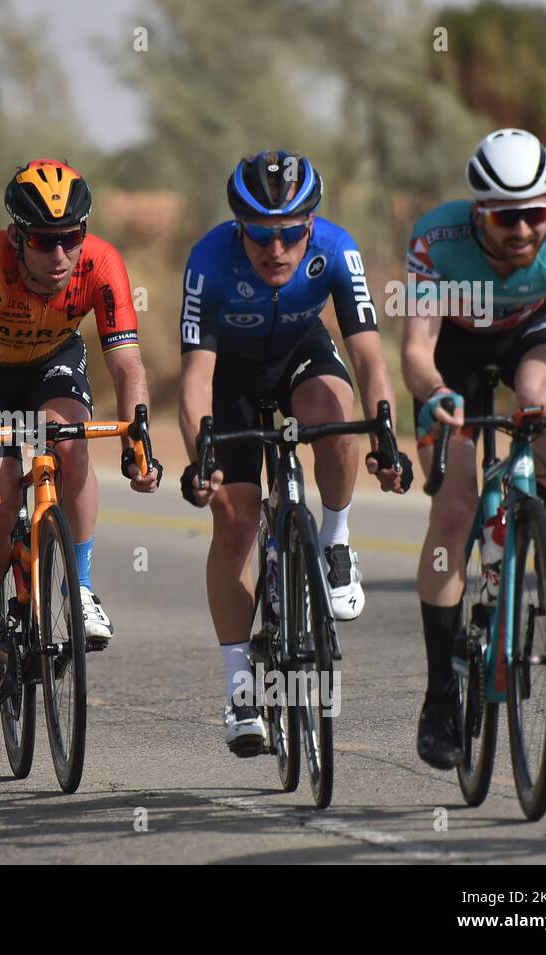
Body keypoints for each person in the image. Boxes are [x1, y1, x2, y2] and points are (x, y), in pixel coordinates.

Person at [402, 128, 546, 769]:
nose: (524, 229)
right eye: (508, 217)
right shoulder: (437, 240)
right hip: (457, 346)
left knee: (545, 405)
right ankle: (440, 694)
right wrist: (431, 394)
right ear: (480, 211)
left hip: (531, 328)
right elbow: (418, 352)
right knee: (453, 512)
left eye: (536, 213)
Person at [178, 151, 409, 755]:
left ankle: (334, 540)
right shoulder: (208, 260)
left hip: (300, 355)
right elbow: (196, 376)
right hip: (230, 373)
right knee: (234, 521)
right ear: (239, 226)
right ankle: (239, 689)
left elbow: (369, 358)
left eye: (289, 233)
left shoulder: (337, 249)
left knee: (336, 421)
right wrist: (200, 454)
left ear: (311, 224)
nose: (275, 248)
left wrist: (386, 434)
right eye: (259, 233)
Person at [0, 159, 161, 707]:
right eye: (45, 242)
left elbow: (129, 367)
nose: (60, 255)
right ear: (18, 236)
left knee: (71, 439)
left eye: (71, 238)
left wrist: (139, 437)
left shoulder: (103, 264)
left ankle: (82, 587)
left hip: (52, 361)